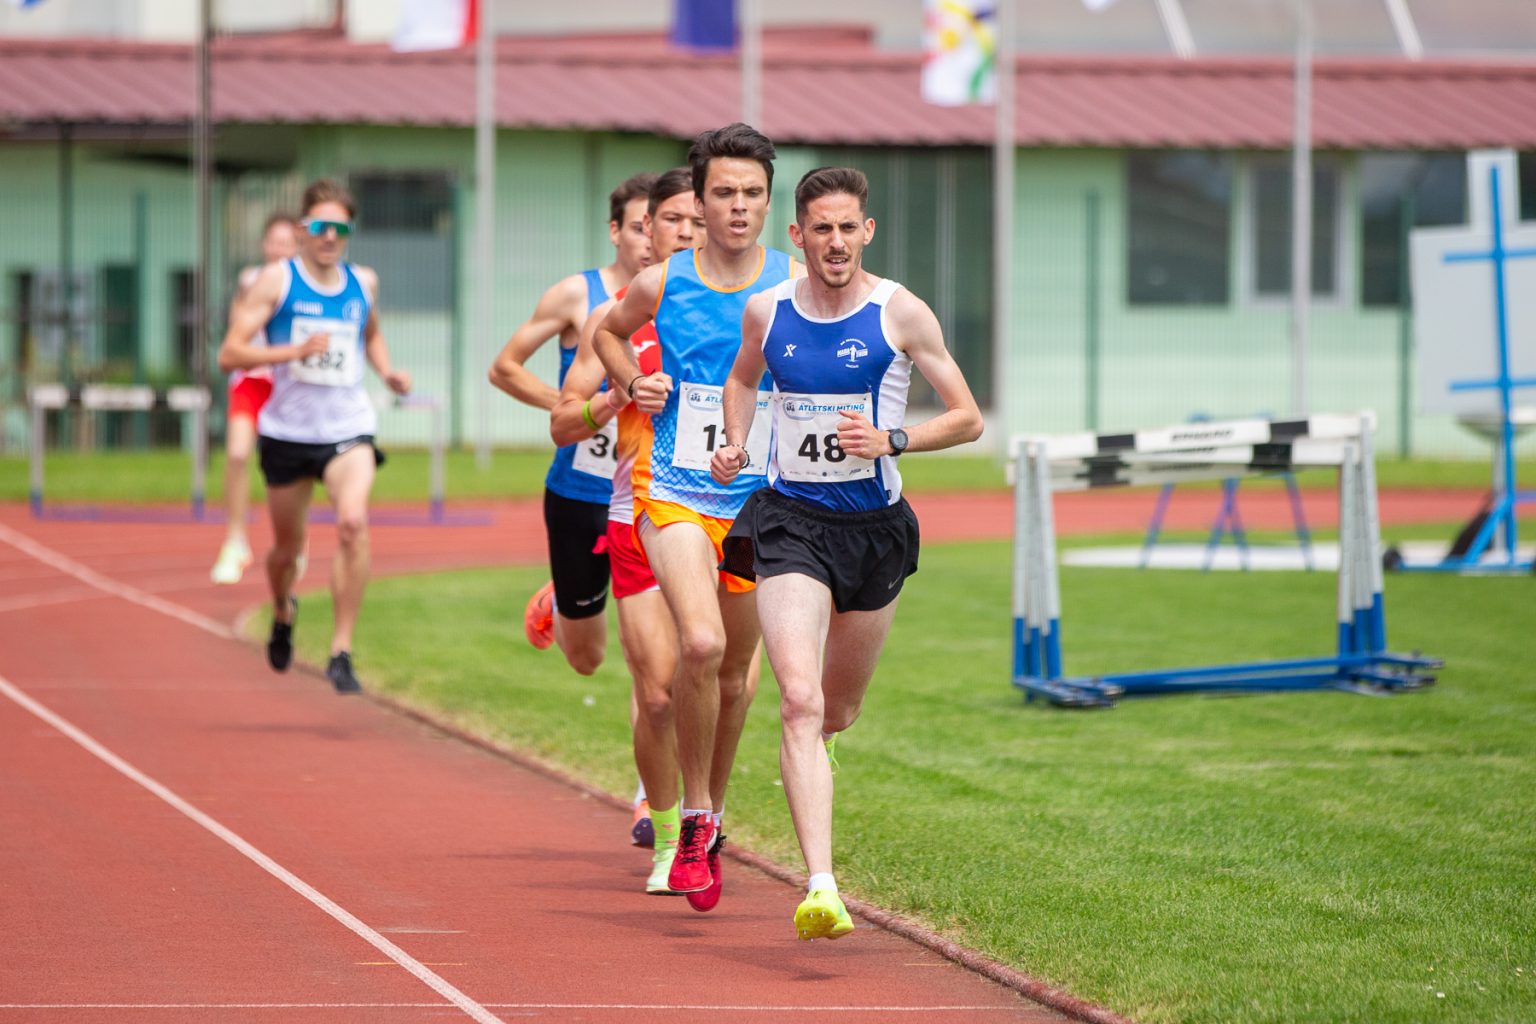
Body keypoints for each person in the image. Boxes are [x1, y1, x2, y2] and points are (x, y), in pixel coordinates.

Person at [713, 166, 983, 940]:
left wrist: (893, 438)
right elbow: (742, 380)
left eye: (847, 228)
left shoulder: (900, 313)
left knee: (836, 709)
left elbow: (967, 418)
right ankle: (822, 888)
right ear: (797, 236)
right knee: (798, 699)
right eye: (820, 229)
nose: (835, 242)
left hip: (874, 530)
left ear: (867, 231)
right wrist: (735, 442)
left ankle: (821, 747)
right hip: (789, 523)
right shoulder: (768, 309)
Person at [594, 124, 796, 911]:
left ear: (768, 202)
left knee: (737, 676)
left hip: (758, 502)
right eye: (724, 193)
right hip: (673, 490)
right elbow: (606, 333)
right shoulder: (662, 282)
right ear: (699, 202)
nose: (738, 206)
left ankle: (711, 811)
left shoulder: (792, 283)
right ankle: (694, 816)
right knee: (702, 643)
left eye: (752, 193)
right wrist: (631, 384)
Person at [555, 166, 741, 894]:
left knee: (725, 679)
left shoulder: (748, 306)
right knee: (658, 693)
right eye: (671, 221)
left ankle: (707, 814)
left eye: (697, 220)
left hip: (727, 512)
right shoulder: (622, 317)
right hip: (637, 511)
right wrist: (618, 396)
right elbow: (561, 424)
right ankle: (668, 835)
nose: (687, 232)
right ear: (646, 230)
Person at [217, 178, 411, 694]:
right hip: (288, 433)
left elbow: (371, 332)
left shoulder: (361, 283)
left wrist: (388, 372)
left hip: (348, 428)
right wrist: (292, 353)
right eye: (321, 227)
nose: (330, 237)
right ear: (303, 229)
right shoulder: (276, 282)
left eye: (340, 229)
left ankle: (341, 650)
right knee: (285, 552)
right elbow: (230, 353)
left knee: (352, 524)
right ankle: (283, 609)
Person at [489, 173, 655, 676]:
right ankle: (560, 601)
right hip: (583, 489)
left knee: (657, 656)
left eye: (661, 226)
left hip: (653, 490)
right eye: (639, 228)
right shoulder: (577, 295)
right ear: (615, 231)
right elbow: (504, 368)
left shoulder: (684, 299)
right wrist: (573, 408)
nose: (649, 240)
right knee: (587, 658)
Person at [210, 212, 299, 584]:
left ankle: (295, 542)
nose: (279, 249)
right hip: (251, 379)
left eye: (286, 243)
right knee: (237, 454)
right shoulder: (250, 279)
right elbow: (236, 334)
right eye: (274, 242)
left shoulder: (303, 284)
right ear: (264, 245)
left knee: (295, 466)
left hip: (287, 383)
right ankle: (235, 540)